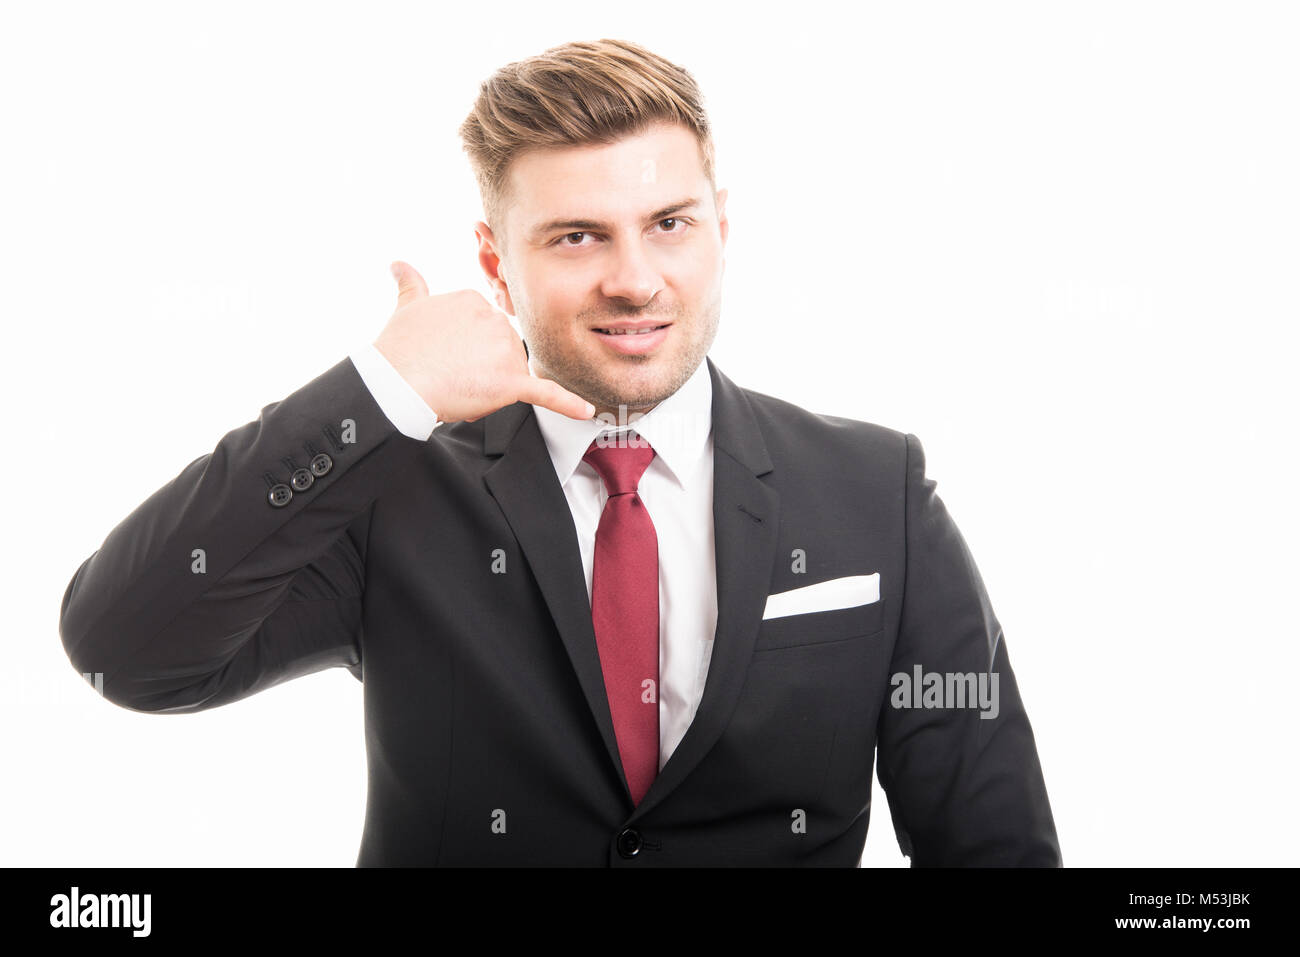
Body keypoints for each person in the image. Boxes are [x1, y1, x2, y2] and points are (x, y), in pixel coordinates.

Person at [58, 37, 1061, 867]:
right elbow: (128, 655)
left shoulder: (874, 493)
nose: (634, 280)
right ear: (495, 261)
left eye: (668, 224)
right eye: (577, 237)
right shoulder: (396, 487)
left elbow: (991, 845)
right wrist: (374, 393)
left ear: (721, 230)